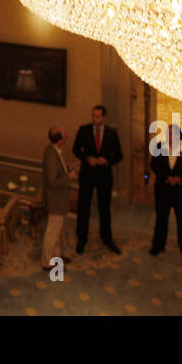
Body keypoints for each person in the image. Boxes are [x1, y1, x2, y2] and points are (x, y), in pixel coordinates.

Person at [72, 104, 124, 253]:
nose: (95, 118)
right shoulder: (84, 130)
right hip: (87, 174)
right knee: (83, 208)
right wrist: (86, 158)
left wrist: (107, 161)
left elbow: (119, 156)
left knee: (104, 209)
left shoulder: (111, 134)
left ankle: (107, 238)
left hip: (104, 176)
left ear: (104, 118)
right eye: (93, 116)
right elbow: (75, 149)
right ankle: (82, 238)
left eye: (98, 116)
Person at [149, 124, 182, 265]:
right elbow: (154, 165)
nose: (169, 136)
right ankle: (158, 246)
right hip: (163, 190)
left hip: (181, 193)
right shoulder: (159, 147)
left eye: (171, 134)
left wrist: (180, 179)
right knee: (161, 220)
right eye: (168, 133)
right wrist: (166, 178)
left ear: (178, 136)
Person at [41, 126, 78, 270]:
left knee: (58, 231)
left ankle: (56, 256)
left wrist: (67, 169)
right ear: (60, 139)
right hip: (55, 199)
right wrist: (69, 177)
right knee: (52, 232)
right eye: (64, 134)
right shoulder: (51, 155)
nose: (67, 134)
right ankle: (47, 261)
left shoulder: (54, 151)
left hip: (59, 198)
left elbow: (56, 173)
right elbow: (52, 181)